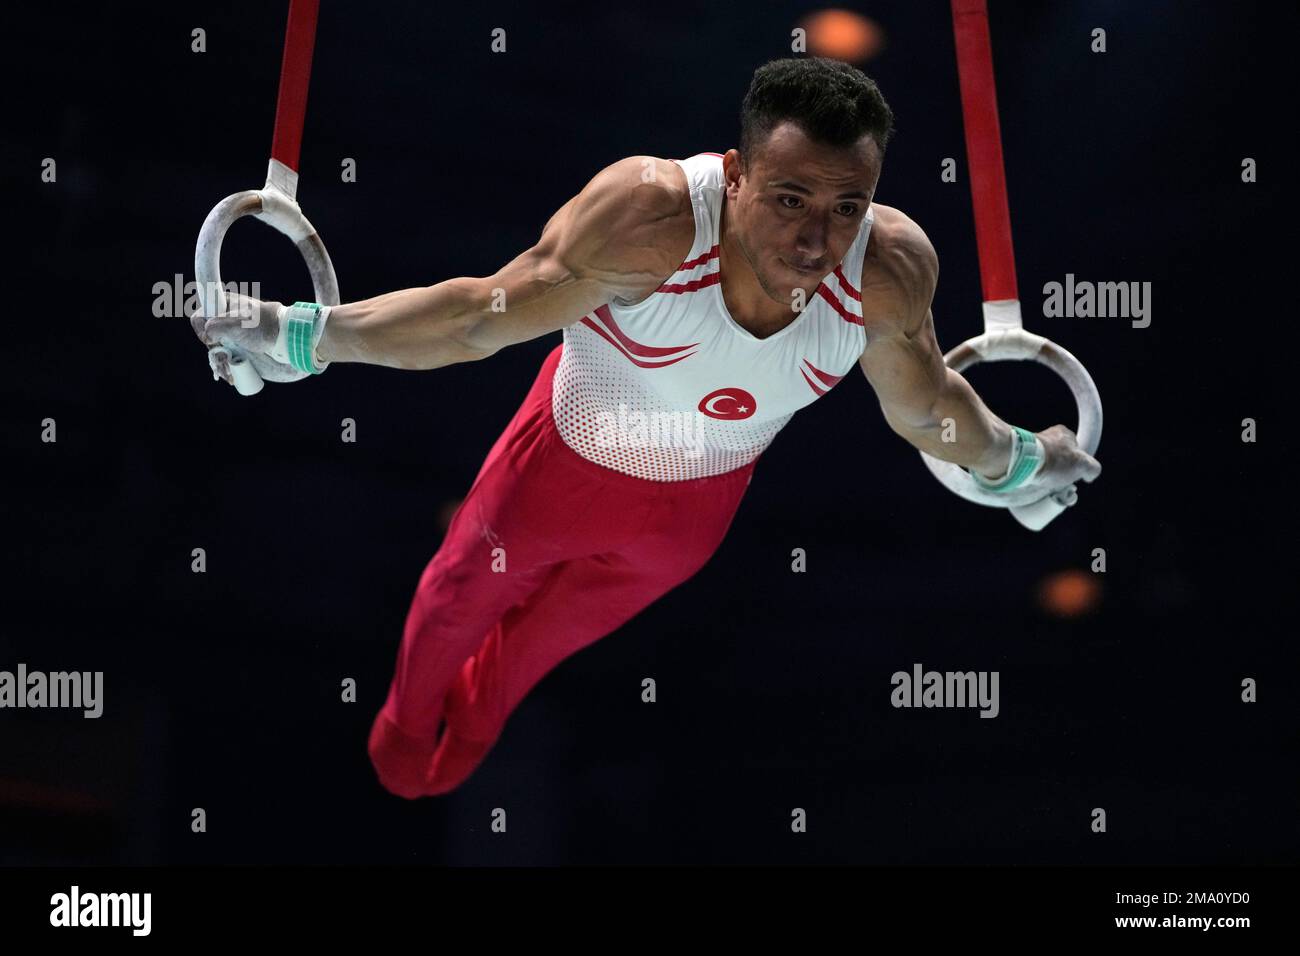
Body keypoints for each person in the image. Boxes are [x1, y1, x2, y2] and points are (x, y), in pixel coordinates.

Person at [192, 56, 1101, 798]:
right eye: (790, 198)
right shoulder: (654, 218)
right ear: (736, 174)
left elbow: (931, 411)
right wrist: (304, 333)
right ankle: (397, 725)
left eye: (846, 208)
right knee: (458, 602)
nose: (819, 240)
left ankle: (455, 738)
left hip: (688, 528)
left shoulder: (889, 275)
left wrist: (1021, 461)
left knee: (526, 659)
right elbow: (478, 316)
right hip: (558, 473)